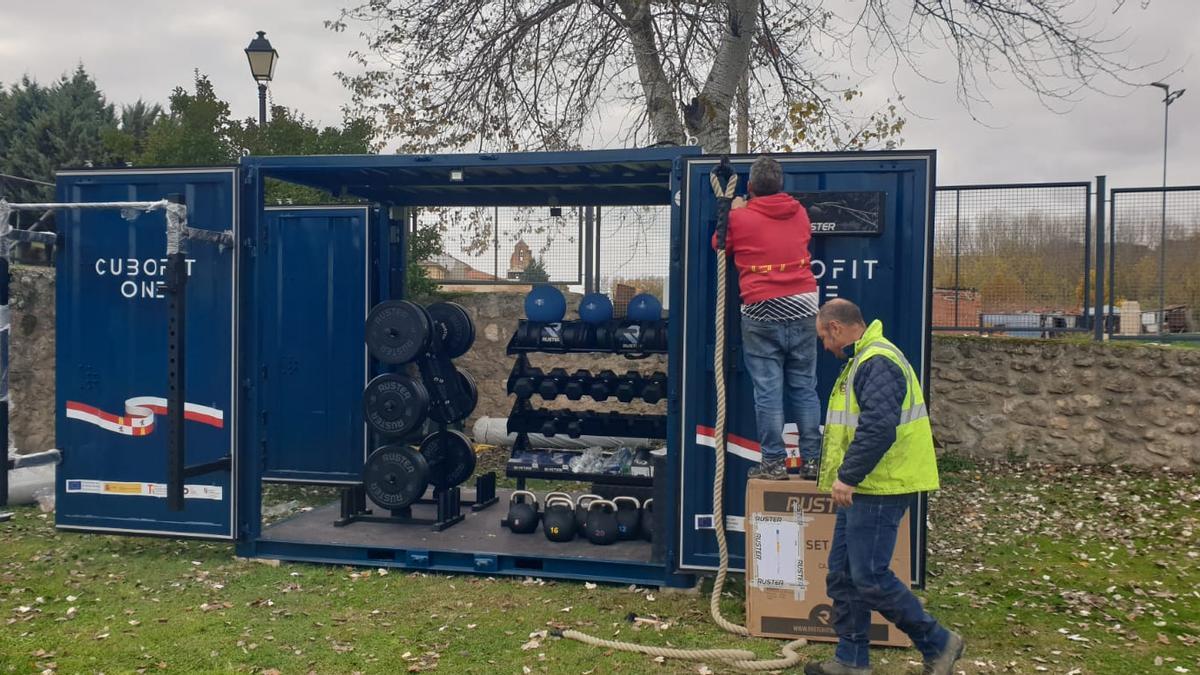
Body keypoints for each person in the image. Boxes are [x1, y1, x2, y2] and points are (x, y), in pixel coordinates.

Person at [805, 299, 964, 675]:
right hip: (868, 486)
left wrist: (848, 476)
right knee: (843, 574)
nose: (824, 347)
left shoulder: (876, 361)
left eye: (823, 338)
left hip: (881, 486)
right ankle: (851, 660)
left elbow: (878, 427)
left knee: (870, 576)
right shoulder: (864, 359)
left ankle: (939, 642)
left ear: (836, 328)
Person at [711, 155, 821, 480]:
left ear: (749, 186)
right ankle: (812, 462)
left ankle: (774, 463)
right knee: (804, 387)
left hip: (762, 309)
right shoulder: (799, 213)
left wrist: (734, 211)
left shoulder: (741, 219)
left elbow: (718, 243)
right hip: (803, 306)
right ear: (781, 185)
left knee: (769, 391)